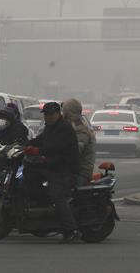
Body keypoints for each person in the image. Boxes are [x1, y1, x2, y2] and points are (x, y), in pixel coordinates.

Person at [26, 101, 80, 243]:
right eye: (45, 115)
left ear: (58, 114)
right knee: (29, 173)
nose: (47, 117)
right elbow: (40, 140)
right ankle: (41, 208)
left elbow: (54, 147)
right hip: (51, 166)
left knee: (57, 196)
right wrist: (25, 144)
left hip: (64, 169)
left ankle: (71, 230)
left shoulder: (64, 128)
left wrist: (37, 151)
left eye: (50, 114)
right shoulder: (50, 127)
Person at [62, 98, 96, 186]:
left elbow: (75, 152)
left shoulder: (80, 130)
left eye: (64, 110)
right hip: (71, 170)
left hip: (80, 173)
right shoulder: (70, 127)